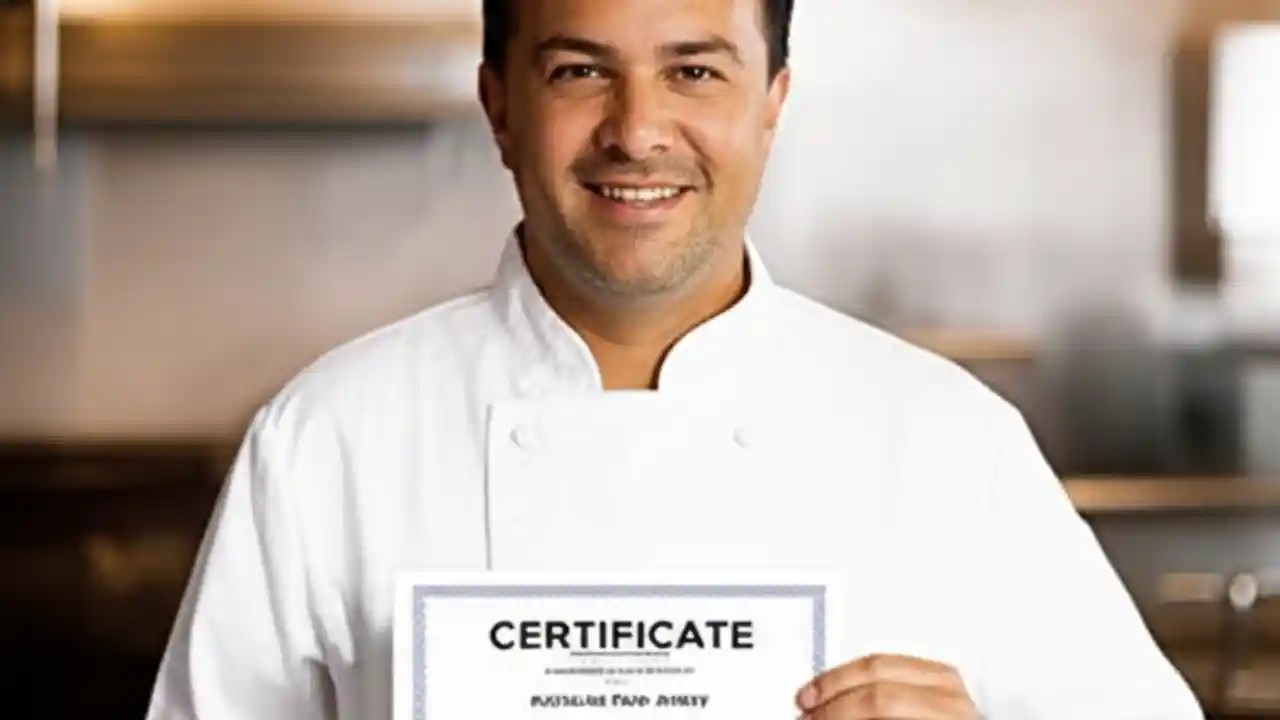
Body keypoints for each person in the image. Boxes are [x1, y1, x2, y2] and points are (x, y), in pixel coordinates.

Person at [146, 1, 1203, 718]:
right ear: (500, 109)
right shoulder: (328, 438)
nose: (636, 129)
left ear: (771, 104)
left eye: (692, 70)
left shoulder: (946, 438)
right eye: (577, 72)